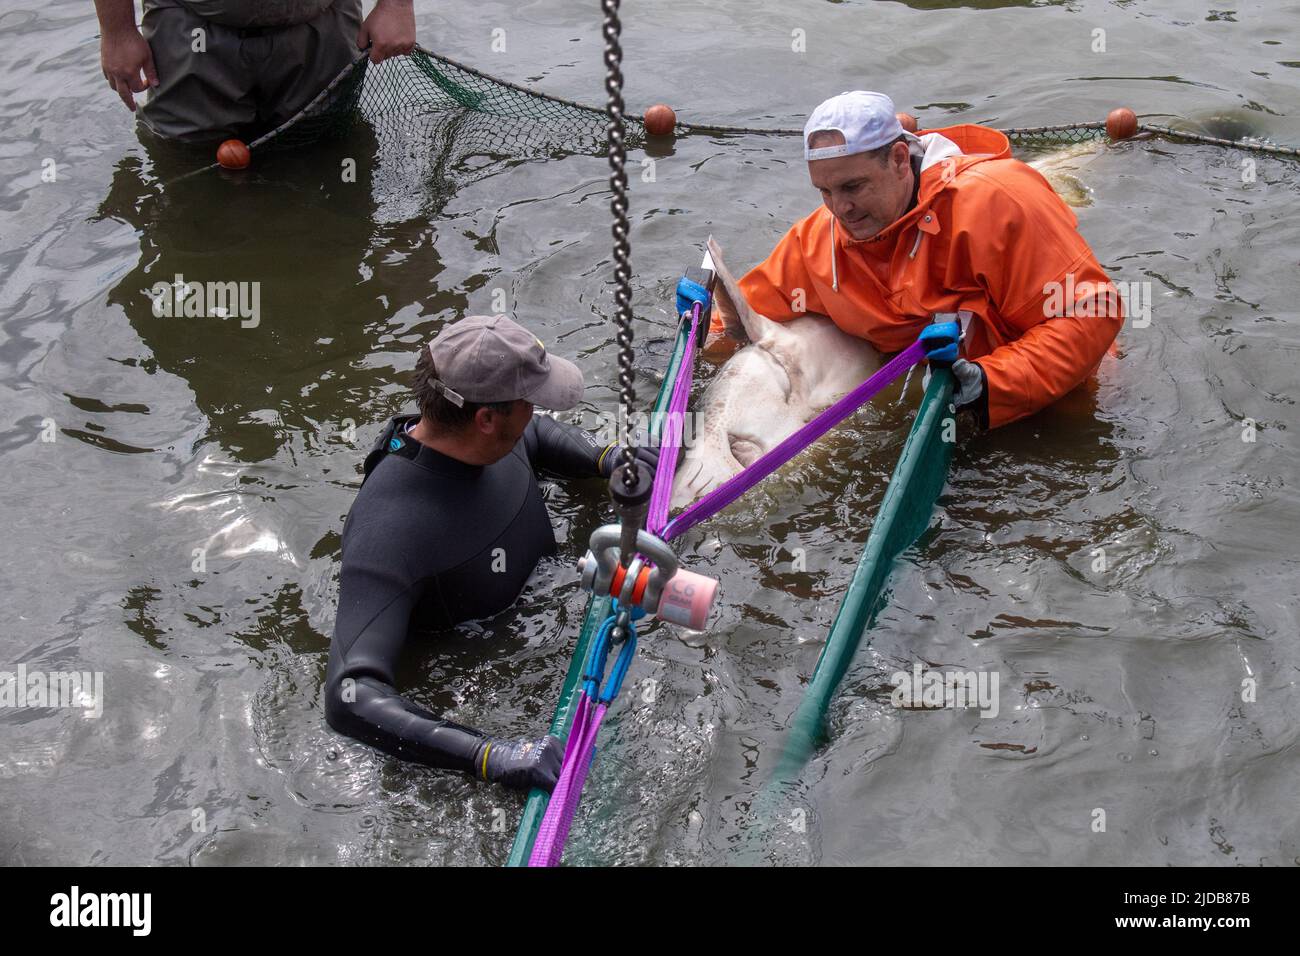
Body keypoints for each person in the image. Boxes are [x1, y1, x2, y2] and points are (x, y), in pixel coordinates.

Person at [324, 315, 657, 792]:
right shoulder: (388, 532)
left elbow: (536, 436)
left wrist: (606, 461)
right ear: (486, 419)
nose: (536, 412)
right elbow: (349, 696)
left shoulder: (491, 431)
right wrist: (489, 755)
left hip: (555, 598)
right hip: (485, 667)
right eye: (528, 402)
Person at [680, 90, 1123, 430]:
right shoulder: (818, 241)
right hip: (942, 400)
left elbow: (1092, 312)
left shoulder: (998, 202)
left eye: (853, 187)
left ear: (898, 159)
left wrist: (989, 383)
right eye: (825, 191)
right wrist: (693, 335)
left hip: (1062, 390)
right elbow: (748, 318)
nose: (840, 209)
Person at [93, 0, 416, 141]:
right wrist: (117, 29)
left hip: (323, 22)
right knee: (183, 165)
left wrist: (396, 4)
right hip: (188, 26)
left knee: (326, 153)